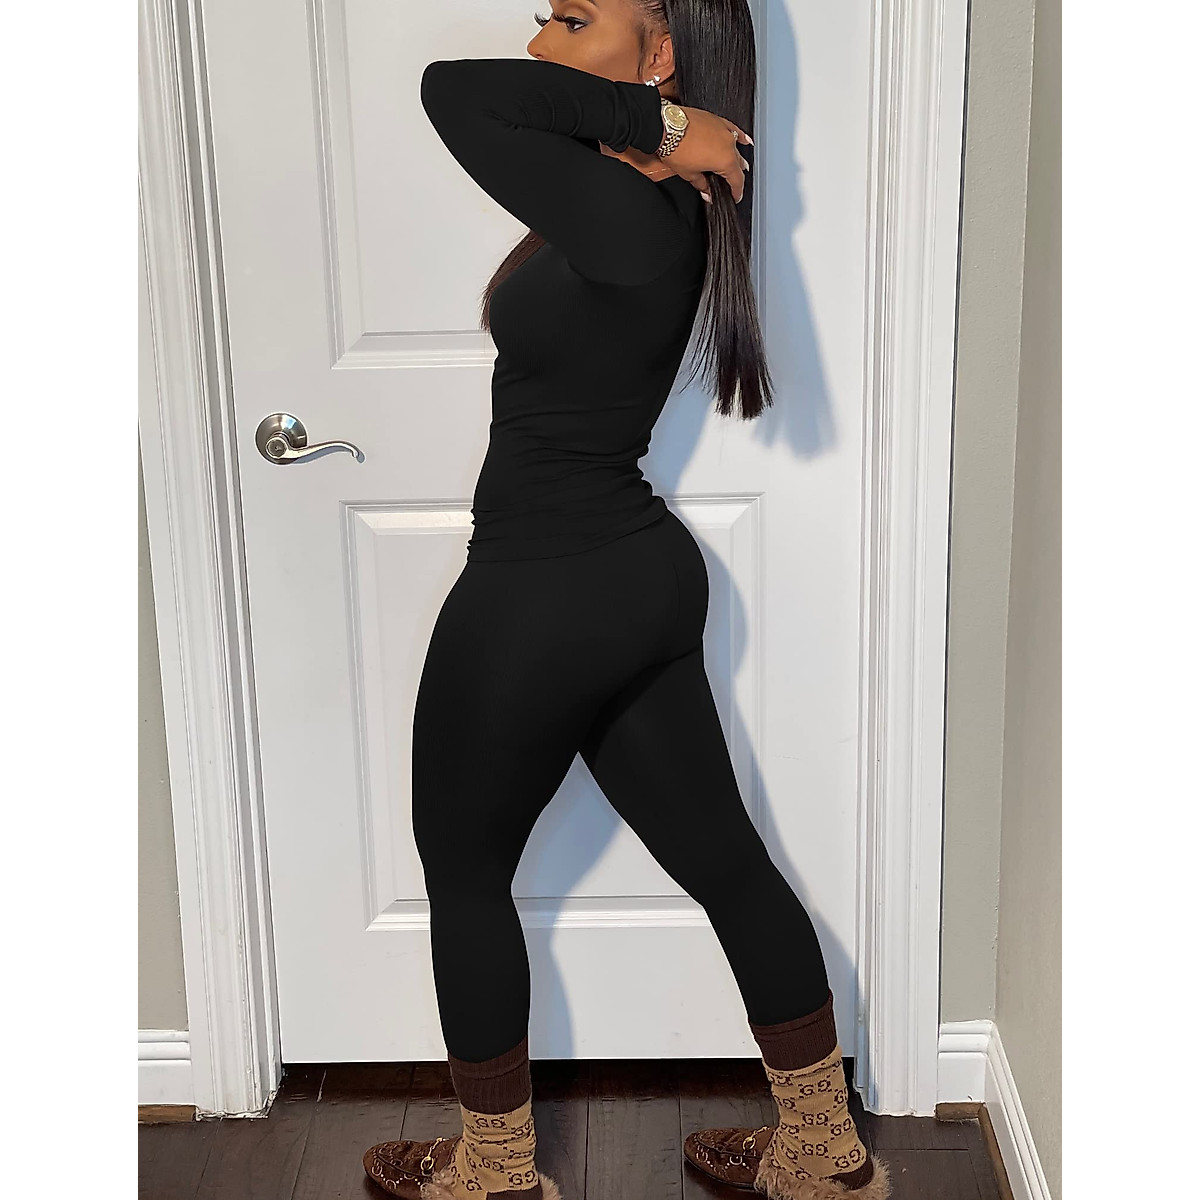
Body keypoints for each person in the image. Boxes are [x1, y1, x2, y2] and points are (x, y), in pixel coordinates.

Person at [362, 3, 889, 1199]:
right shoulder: (643, 201)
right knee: (728, 862)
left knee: (464, 873)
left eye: (574, 16)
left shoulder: (630, 210)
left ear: (660, 54)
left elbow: (452, 89)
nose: (538, 40)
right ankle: (822, 1150)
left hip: (544, 590)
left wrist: (658, 121)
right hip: (628, 581)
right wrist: (656, 126)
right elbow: (493, 97)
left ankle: (493, 1173)